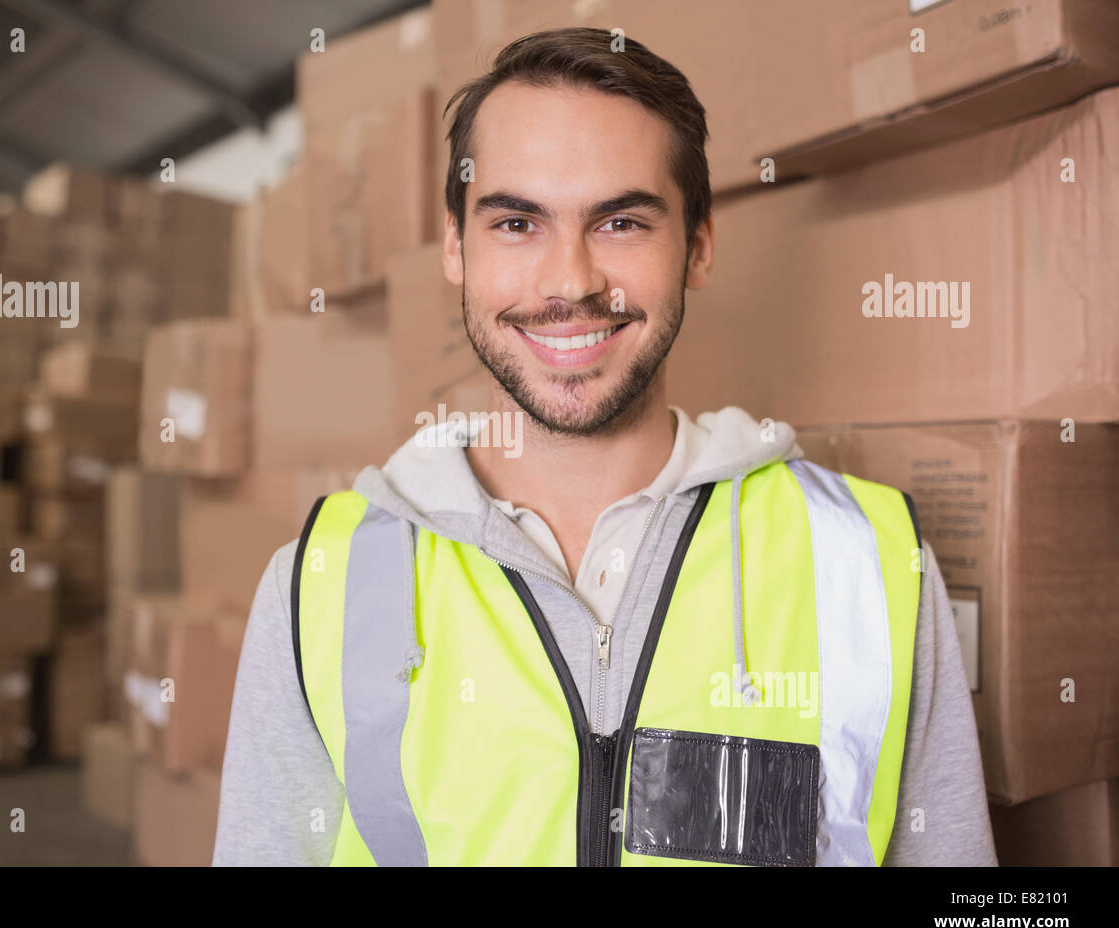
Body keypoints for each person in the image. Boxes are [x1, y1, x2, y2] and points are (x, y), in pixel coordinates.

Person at [213, 27, 997, 867]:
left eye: (620, 221)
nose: (570, 282)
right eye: (517, 223)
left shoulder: (868, 562)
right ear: (455, 247)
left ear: (696, 244)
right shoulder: (319, 583)